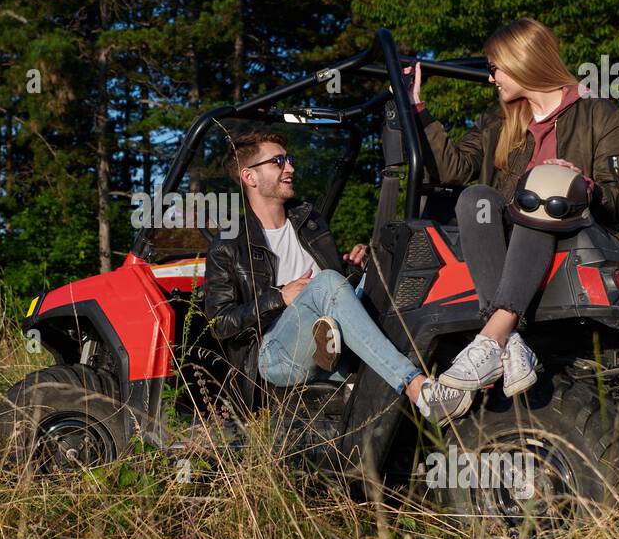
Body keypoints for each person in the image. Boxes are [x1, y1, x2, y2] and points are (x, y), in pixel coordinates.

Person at [406, 17, 619, 395]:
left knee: (546, 184)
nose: (490, 78)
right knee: (475, 198)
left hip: (579, 238)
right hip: (515, 250)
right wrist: (418, 109)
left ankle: (490, 338)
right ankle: (507, 340)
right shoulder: (499, 122)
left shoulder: (598, 113)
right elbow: (454, 169)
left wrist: (580, 185)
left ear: (521, 61)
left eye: (495, 68)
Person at [202, 129, 472, 420]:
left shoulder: (310, 222)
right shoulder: (228, 245)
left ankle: (459, 363)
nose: (290, 167)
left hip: (330, 333)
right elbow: (219, 323)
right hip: (275, 353)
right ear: (249, 177)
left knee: (382, 269)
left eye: (289, 159)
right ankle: (416, 386)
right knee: (325, 283)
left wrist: (358, 268)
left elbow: (338, 286)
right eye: (278, 161)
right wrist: (280, 297)